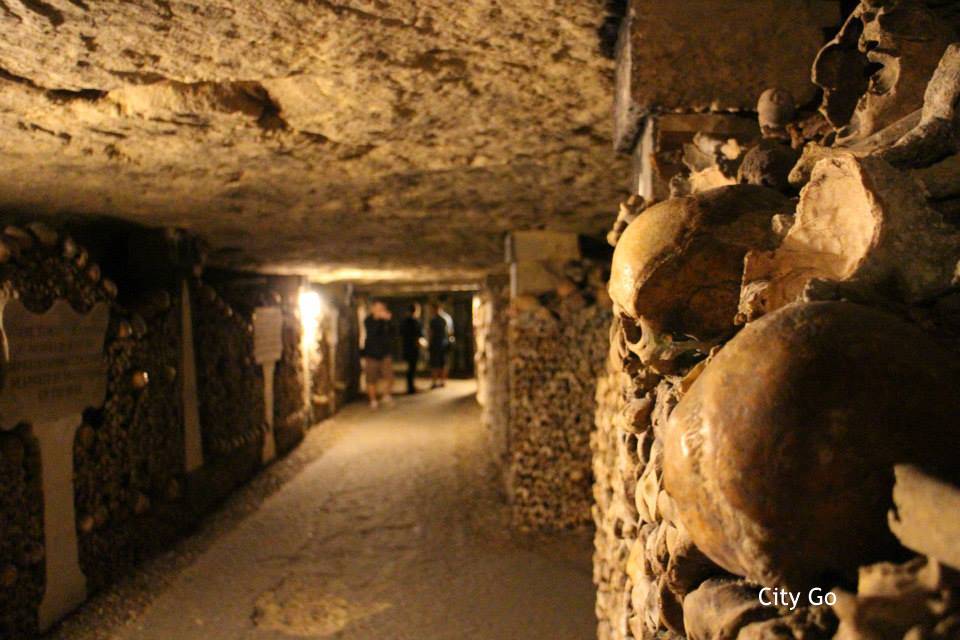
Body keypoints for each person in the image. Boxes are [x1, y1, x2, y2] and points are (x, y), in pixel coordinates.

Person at [362, 300, 394, 408]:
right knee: (371, 379)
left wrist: (389, 321)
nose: (380, 310)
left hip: (385, 353)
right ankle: (373, 400)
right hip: (372, 354)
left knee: (389, 377)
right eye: (377, 308)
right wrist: (379, 319)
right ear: (373, 309)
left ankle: (386, 395)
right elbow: (372, 332)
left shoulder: (386, 321)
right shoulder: (368, 320)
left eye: (381, 308)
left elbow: (393, 332)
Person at [428, 301, 454, 388]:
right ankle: (442, 381)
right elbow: (450, 332)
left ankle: (436, 381)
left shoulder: (434, 320)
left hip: (437, 344)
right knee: (442, 363)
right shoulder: (447, 318)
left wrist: (430, 343)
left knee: (435, 364)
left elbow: (431, 333)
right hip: (443, 344)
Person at [399, 303, 423, 394]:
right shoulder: (416, 322)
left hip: (407, 346)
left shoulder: (405, 321)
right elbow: (419, 335)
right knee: (412, 368)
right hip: (414, 347)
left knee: (410, 367)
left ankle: (410, 386)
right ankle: (411, 387)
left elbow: (401, 333)